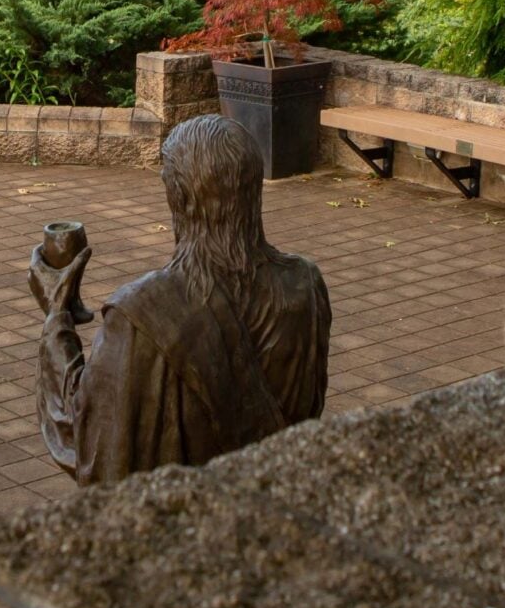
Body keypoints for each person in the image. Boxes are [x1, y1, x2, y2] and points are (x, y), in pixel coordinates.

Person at [34, 113, 330, 485]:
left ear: (183, 198)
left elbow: (85, 434)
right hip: (271, 512)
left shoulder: (140, 314)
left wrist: (56, 315)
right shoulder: (307, 286)